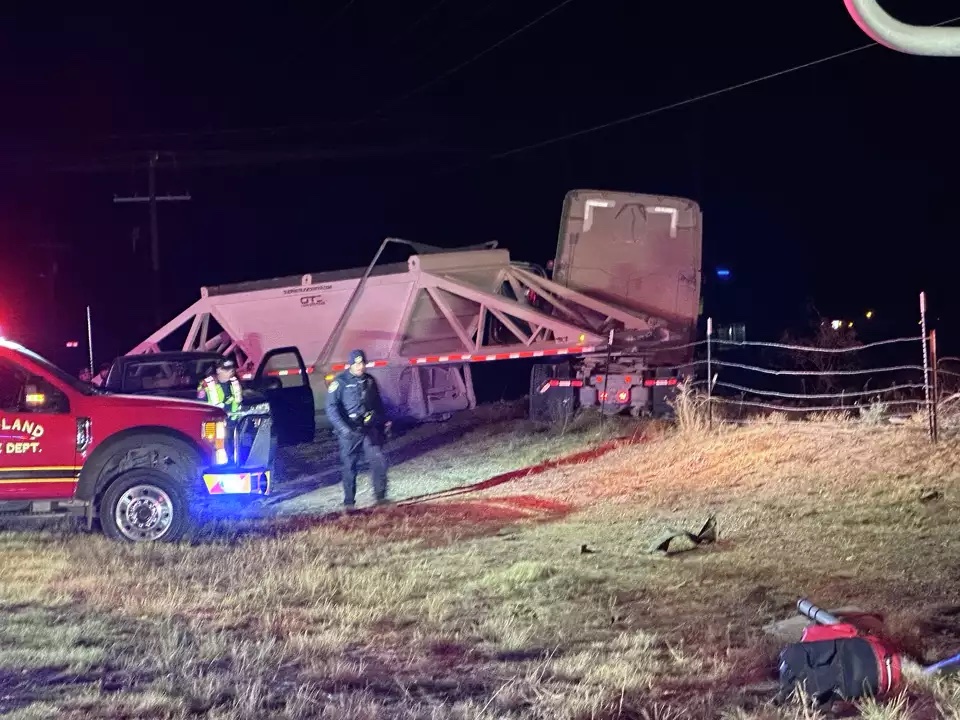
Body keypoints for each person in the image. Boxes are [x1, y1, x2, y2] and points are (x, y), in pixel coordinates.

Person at [325, 349, 390, 510]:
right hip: (350, 432)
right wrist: (344, 429)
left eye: (362, 363)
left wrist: (382, 422)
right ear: (350, 365)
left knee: (378, 461)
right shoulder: (340, 383)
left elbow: (378, 403)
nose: (360, 367)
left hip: (368, 429)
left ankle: (381, 499)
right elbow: (331, 408)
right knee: (349, 466)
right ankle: (349, 503)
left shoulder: (369, 381)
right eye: (357, 364)